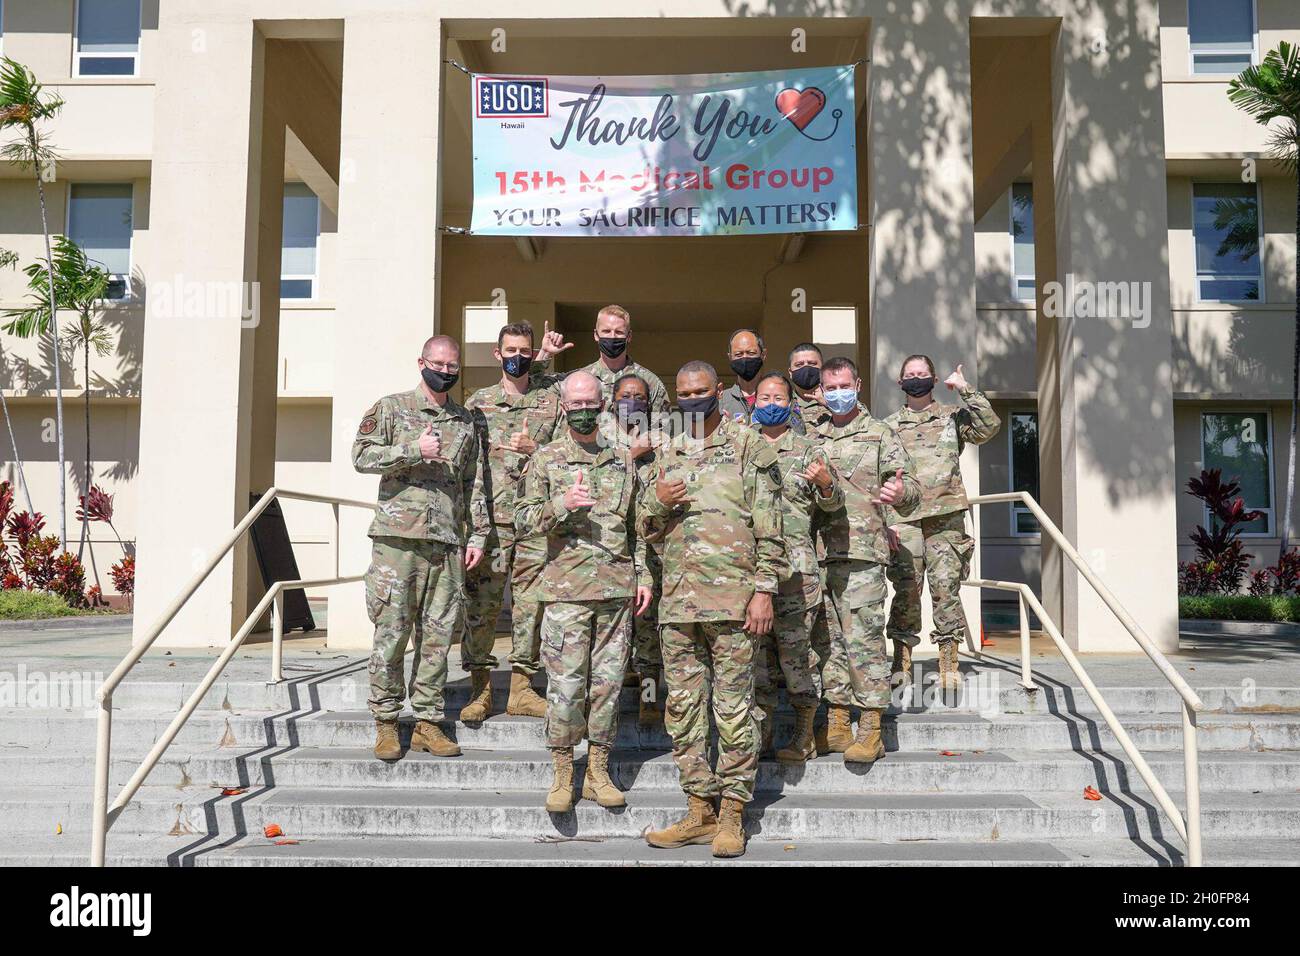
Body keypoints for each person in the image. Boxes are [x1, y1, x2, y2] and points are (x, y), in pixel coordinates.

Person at [639, 361, 786, 859]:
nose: (692, 399)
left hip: (735, 604)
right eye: (683, 393)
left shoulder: (749, 446)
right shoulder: (667, 448)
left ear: (718, 392)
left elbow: (772, 526)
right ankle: (698, 809)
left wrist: (764, 589)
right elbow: (645, 527)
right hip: (679, 604)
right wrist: (657, 502)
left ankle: (732, 815)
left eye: (700, 391)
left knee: (734, 709)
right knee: (682, 711)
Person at [514, 371, 653, 812]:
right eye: (574, 403)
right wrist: (561, 505)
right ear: (562, 406)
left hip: (616, 591)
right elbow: (522, 519)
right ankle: (561, 771)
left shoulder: (621, 460)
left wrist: (645, 576)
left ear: (604, 403)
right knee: (566, 686)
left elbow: (640, 527)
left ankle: (597, 769)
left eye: (590, 402)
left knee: (607, 686)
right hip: (566, 591)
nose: (582, 409)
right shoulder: (547, 459)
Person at [352, 335, 489, 761]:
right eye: (438, 363)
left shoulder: (465, 421)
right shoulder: (391, 408)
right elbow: (360, 455)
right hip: (397, 543)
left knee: (437, 638)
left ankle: (428, 721)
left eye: (453, 365)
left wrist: (479, 534)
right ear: (421, 363)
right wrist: (413, 450)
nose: (446, 371)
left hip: (446, 542)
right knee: (391, 635)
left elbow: (475, 483)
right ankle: (388, 723)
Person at [810, 357, 920, 763]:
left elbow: (910, 492)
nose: (838, 393)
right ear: (820, 390)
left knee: (865, 642)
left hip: (863, 553)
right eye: (830, 387)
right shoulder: (813, 437)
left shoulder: (880, 434)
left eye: (844, 385)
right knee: (830, 643)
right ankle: (838, 723)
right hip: (821, 555)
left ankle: (871, 728)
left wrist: (900, 494)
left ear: (857, 384)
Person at [460, 322, 568, 722]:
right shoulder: (478, 405)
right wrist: (474, 530)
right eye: (511, 350)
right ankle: (480, 690)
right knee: (481, 608)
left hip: (537, 523)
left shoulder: (551, 400)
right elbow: (469, 471)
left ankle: (521, 689)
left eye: (525, 350)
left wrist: (535, 448)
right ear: (497, 353)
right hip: (490, 524)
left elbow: (567, 455)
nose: (517, 357)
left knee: (531, 608)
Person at [883, 356, 1000, 689]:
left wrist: (965, 390)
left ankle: (949, 661)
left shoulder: (952, 417)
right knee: (906, 590)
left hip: (946, 517)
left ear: (933, 380)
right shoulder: (889, 426)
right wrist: (885, 521)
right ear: (900, 381)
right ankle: (901, 658)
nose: (916, 379)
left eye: (922, 374)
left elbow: (989, 427)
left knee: (945, 588)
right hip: (904, 519)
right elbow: (881, 476)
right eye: (910, 375)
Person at [751, 372, 843, 763]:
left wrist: (825, 485)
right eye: (765, 396)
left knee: (796, 655)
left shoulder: (809, 451)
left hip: (796, 572)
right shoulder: (744, 447)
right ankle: (763, 731)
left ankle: (805, 731)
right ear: (754, 401)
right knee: (757, 657)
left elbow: (834, 505)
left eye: (779, 397)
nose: (772, 402)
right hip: (752, 571)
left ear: (791, 402)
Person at [611, 372, 665, 729]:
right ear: (612, 401)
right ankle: (606, 702)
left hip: (650, 548)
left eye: (639, 397)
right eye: (626, 395)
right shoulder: (597, 439)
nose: (633, 401)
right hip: (610, 547)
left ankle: (649, 699)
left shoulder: (664, 440)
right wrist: (631, 454)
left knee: (647, 631)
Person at [577, 304, 671, 415]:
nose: (612, 336)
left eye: (619, 332)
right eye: (606, 331)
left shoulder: (650, 382)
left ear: (629, 336)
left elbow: (661, 428)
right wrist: (549, 355)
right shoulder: (579, 380)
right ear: (596, 335)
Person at [719, 328, 767, 425]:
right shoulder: (720, 402)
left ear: (763, 355)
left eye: (751, 353)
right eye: (738, 354)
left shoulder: (779, 398)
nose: (745, 358)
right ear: (730, 357)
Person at [788, 342, 828, 430]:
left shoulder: (837, 401)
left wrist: (831, 405)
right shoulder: (782, 403)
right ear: (790, 373)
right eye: (799, 365)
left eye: (812, 363)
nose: (806, 368)